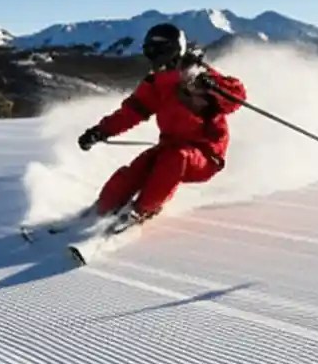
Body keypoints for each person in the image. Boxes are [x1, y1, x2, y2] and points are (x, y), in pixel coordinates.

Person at [77, 23, 246, 226]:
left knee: (176, 158)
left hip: (205, 154)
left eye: (159, 50)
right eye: (149, 50)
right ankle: (102, 208)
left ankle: (141, 211)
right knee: (137, 169)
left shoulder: (197, 75)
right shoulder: (156, 83)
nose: (153, 56)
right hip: (169, 147)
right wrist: (100, 131)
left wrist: (212, 87)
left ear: (174, 50)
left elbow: (237, 97)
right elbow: (130, 113)